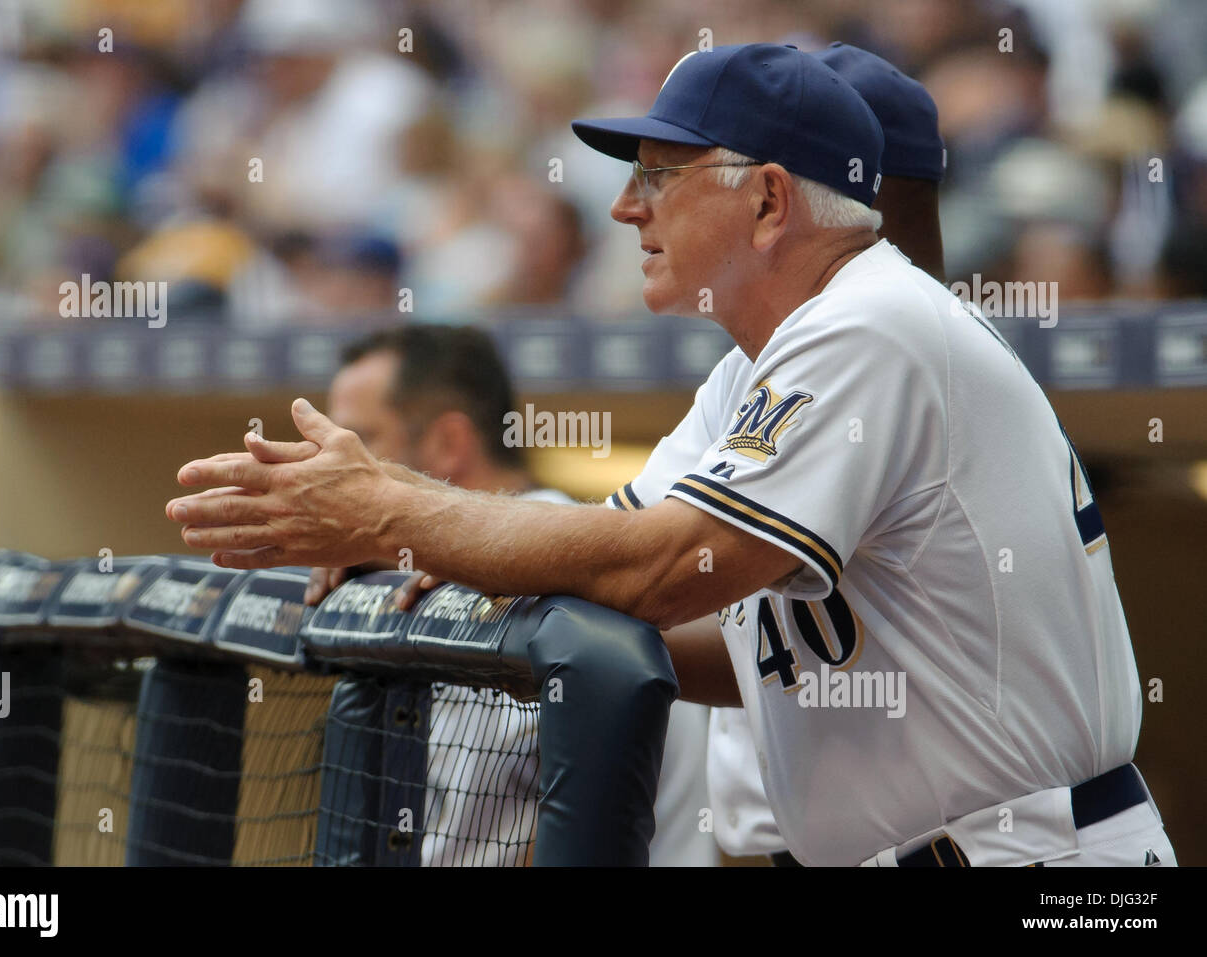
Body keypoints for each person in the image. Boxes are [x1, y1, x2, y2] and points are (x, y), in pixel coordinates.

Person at [167, 44, 1174, 866]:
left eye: (659, 173)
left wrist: (391, 515)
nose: (625, 206)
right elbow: (616, 559)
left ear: (770, 203)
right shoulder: (755, 370)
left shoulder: (870, 323)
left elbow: (654, 573)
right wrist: (401, 512)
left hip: (1035, 864)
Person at [304, 323, 718, 866]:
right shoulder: (422, 576)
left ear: (449, 443)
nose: (334, 473)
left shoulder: (564, 574)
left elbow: (532, 836)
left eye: (360, 444)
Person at [700, 41, 949, 866]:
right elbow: (644, 563)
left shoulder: (887, 340)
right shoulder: (760, 363)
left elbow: (657, 570)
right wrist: (478, 564)